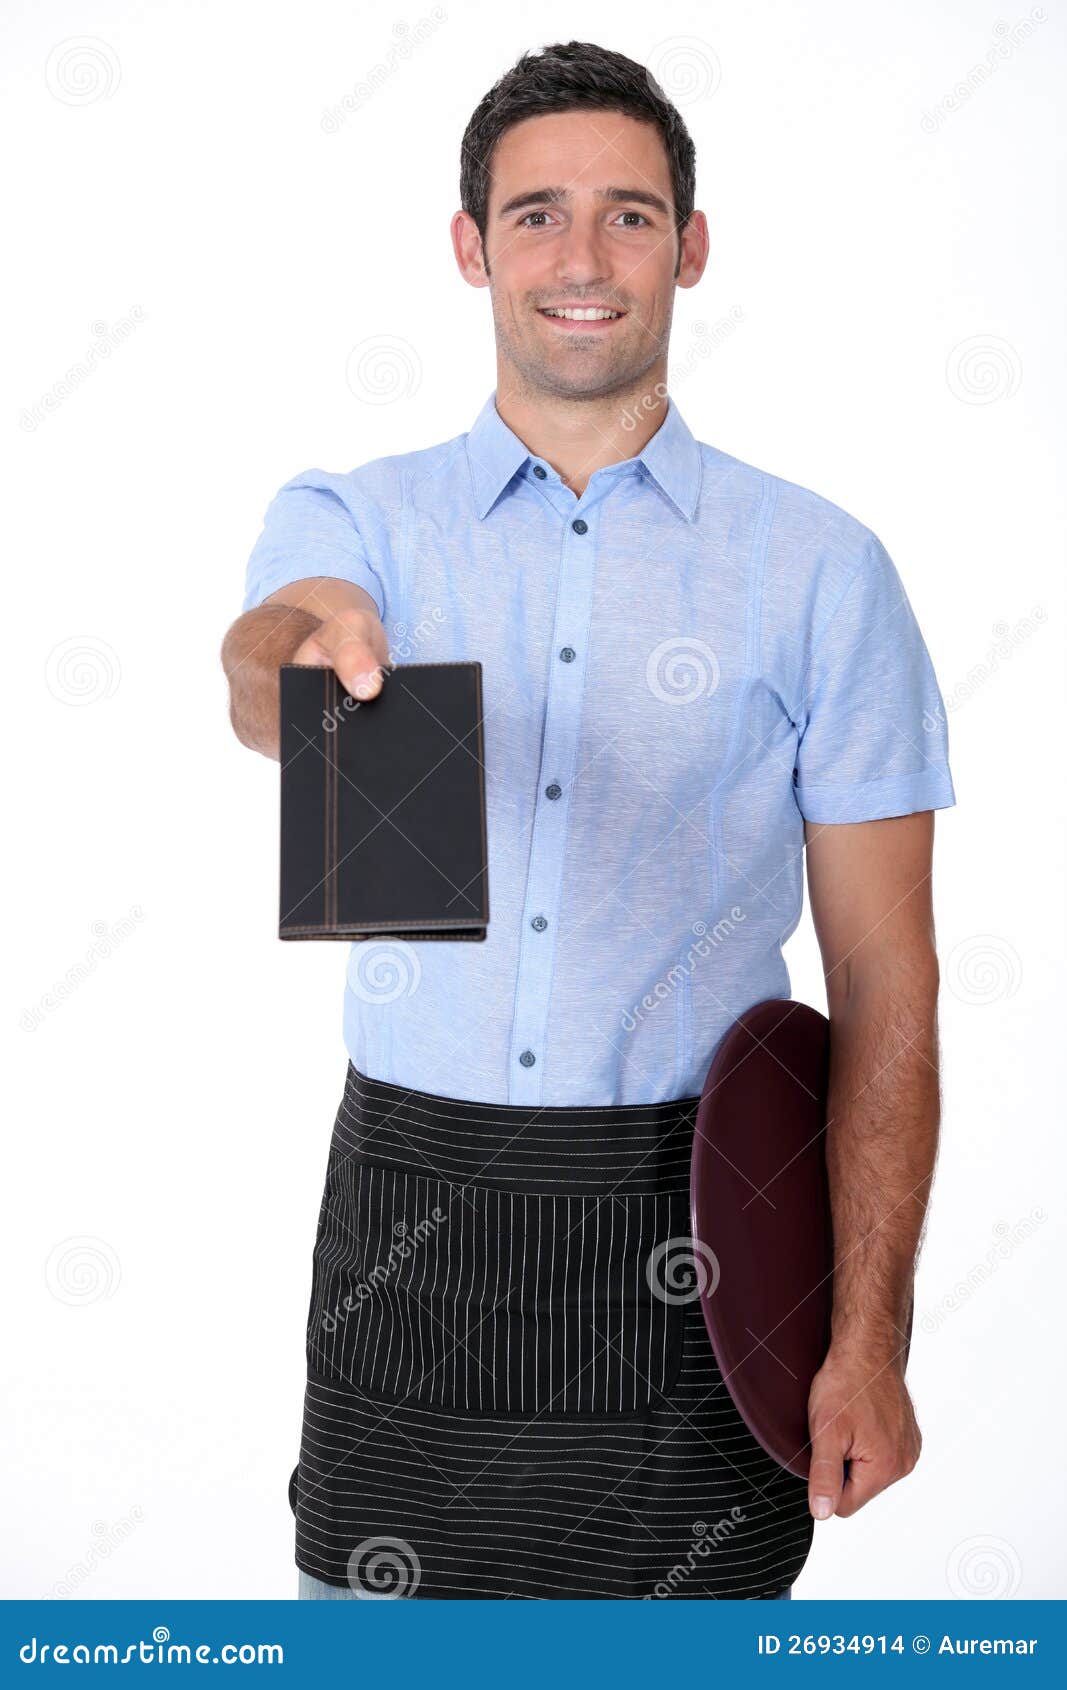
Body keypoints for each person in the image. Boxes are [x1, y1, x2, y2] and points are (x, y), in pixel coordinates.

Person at [221, 40, 955, 1601]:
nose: (581, 256)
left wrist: (872, 1331)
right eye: (536, 214)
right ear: (471, 246)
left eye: (629, 215)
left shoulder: (820, 570)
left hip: (694, 1247)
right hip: (406, 1244)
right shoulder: (361, 519)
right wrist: (306, 654)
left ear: (691, 248)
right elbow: (272, 650)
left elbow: (889, 981)